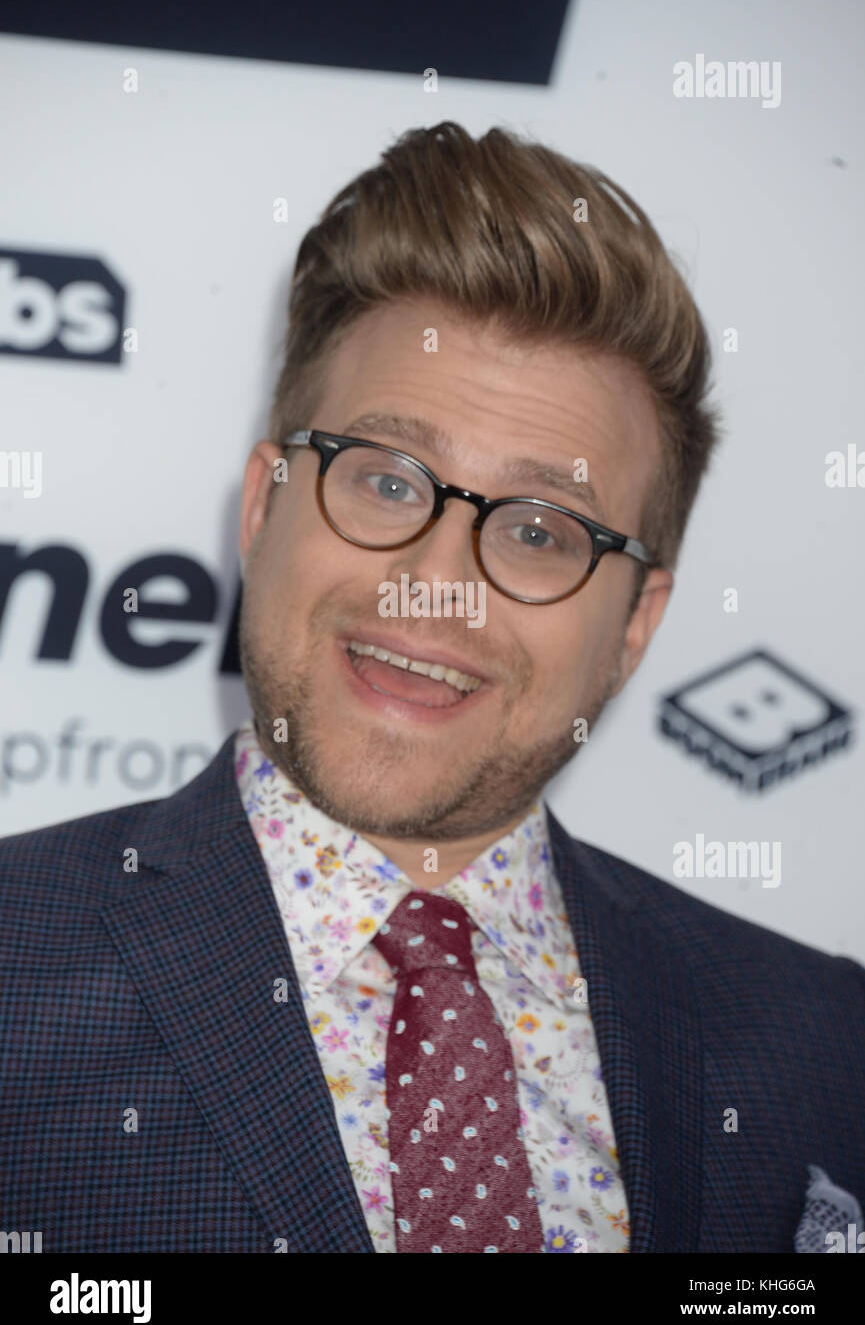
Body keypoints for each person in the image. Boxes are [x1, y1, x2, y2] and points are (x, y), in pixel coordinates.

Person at [1, 122, 862, 1255]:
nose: (433, 588)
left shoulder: (825, 1041)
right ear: (264, 507)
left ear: (636, 626)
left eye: (543, 530)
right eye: (386, 477)